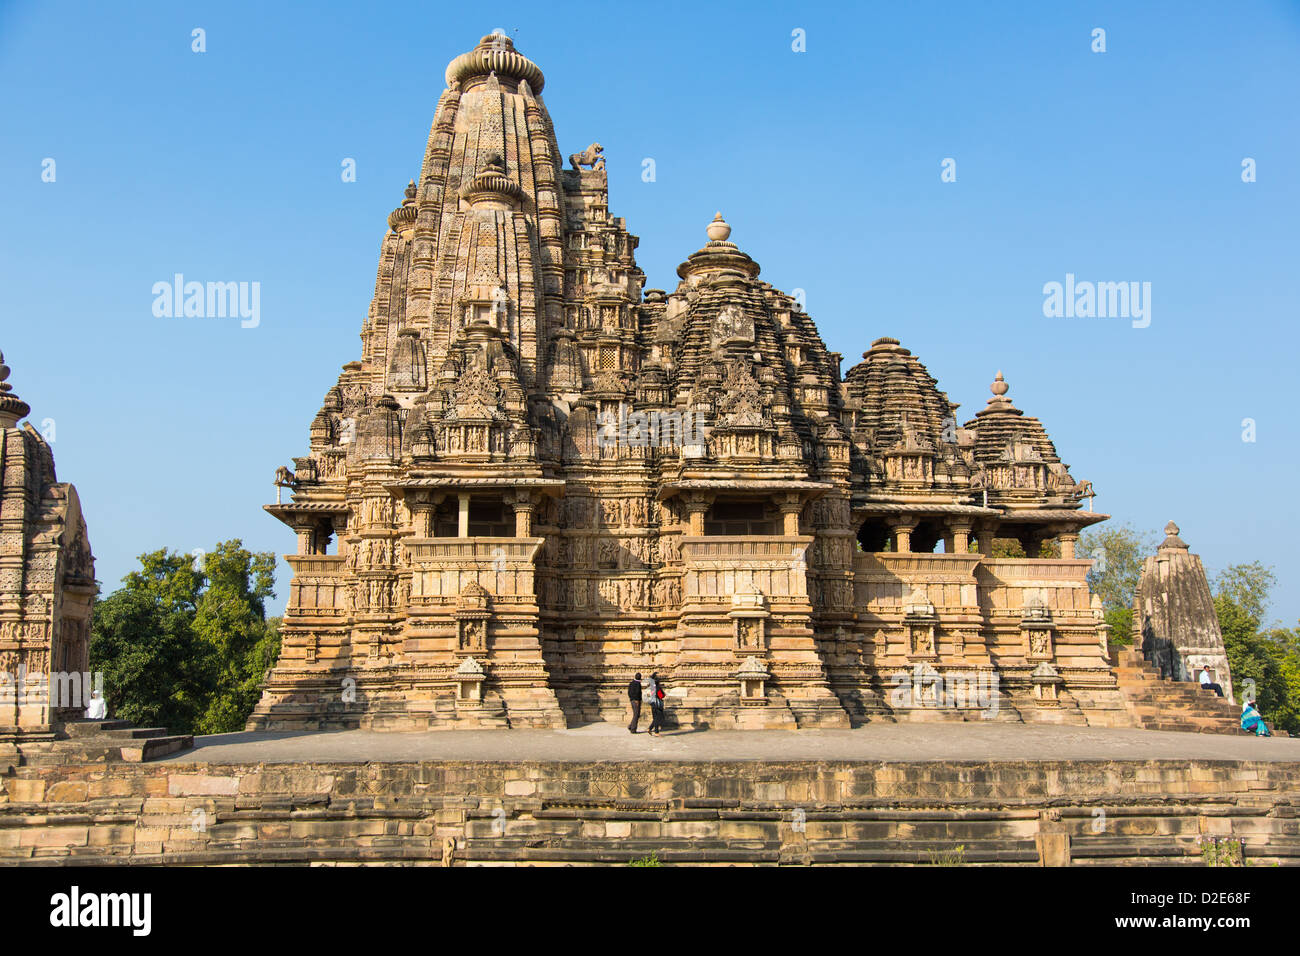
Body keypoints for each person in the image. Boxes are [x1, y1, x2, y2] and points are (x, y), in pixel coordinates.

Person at [647, 672, 665, 737]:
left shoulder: (651, 687)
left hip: (653, 704)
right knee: (658, 718)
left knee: (655, 718)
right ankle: (653, 729)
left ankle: (654, 730)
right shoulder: (657, 688)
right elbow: (661, 696)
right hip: (657, 705)